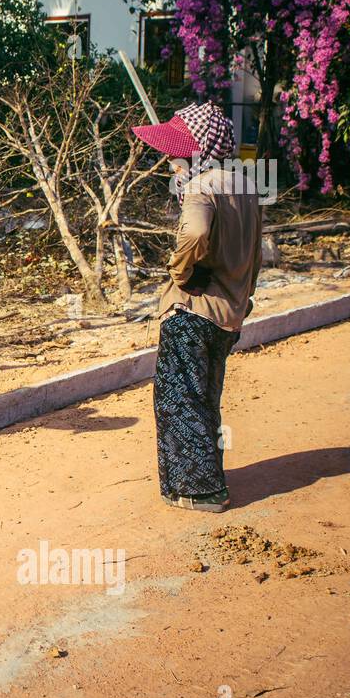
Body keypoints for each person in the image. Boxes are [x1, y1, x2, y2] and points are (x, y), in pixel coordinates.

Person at [133, 102, 262, 512]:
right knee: (206, 397)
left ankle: (199, 489)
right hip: (229, 316)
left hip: (193, 312)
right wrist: (244, 297)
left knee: (179, 397)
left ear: (198, 151)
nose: (170, 162)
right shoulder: (246, 187)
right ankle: (208, 479)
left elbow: (196, 231)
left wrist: (180, 272)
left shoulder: (201, 187)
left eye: (176, 153)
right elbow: (255, 255)